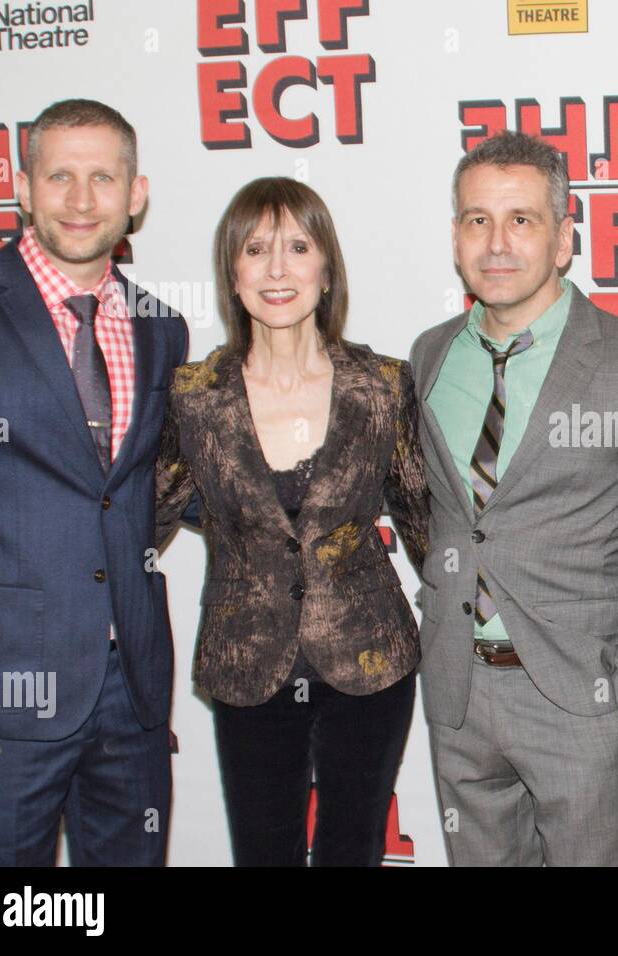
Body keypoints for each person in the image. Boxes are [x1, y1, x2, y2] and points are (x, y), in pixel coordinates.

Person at [410, 130, 618, 866]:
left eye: (521, 220)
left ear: (563, 241)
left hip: (580, 701)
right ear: (456, 237)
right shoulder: (431, 356)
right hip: (459, 693)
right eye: (476, 220)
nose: (497, 243)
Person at [155, 177, 428, 866]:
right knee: (263, 852)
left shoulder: (383, 387)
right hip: (248, 662)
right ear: (232, 272)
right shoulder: (193, 398)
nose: (278, 270)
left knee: (352, 849)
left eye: (298, 247)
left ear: (326, 268)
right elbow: (138, 521)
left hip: (370, 660)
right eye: (255, 249)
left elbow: (430, 527)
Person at [0, 99, 186, 865]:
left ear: (136, 193)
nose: (82, 201)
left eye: (102, 178)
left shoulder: (161, 324)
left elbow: (128, 488)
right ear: (23, 188)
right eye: (59, 176)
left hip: (134, 694)